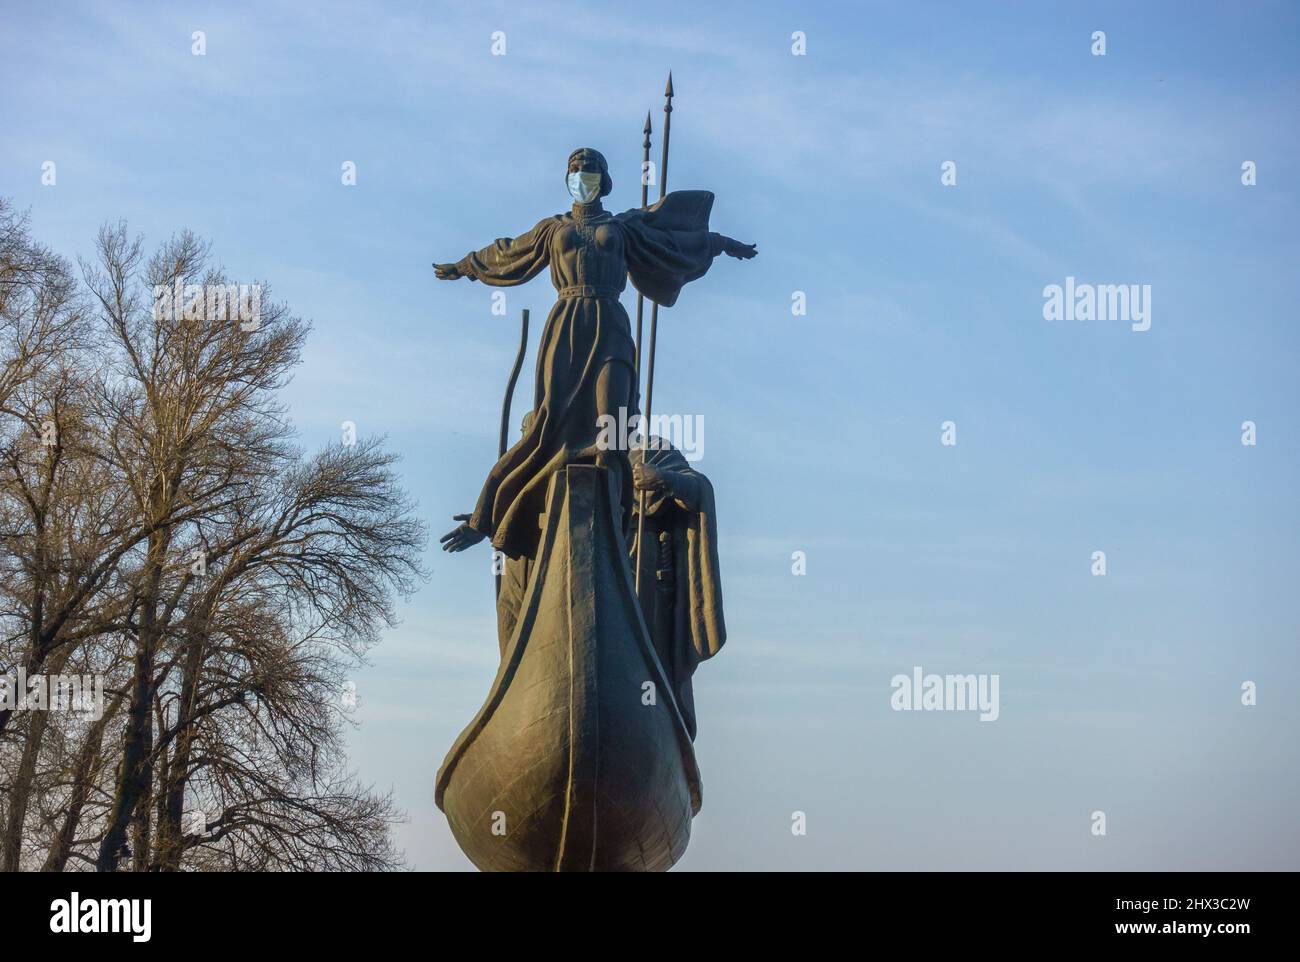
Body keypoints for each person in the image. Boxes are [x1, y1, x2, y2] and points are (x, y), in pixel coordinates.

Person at [435, 147, 756, 563]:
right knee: (547, 428)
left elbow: (673, 244)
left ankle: (614, 537)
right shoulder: (553, 229)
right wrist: (465, 266)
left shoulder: (623, 228)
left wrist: (723, 244)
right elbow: (507, 252)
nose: (581, 178)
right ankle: (485, 516)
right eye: (574, 172)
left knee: (614, 430)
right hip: (567, 328)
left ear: (603, 180)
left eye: (589, 172)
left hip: (611, 326)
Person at [627, 438, 726, 740]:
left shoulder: (651, 448)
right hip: (608, 576)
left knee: (655, 671)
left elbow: (698, 489)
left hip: (653, 586)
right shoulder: (586, 459)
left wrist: (663, 478)